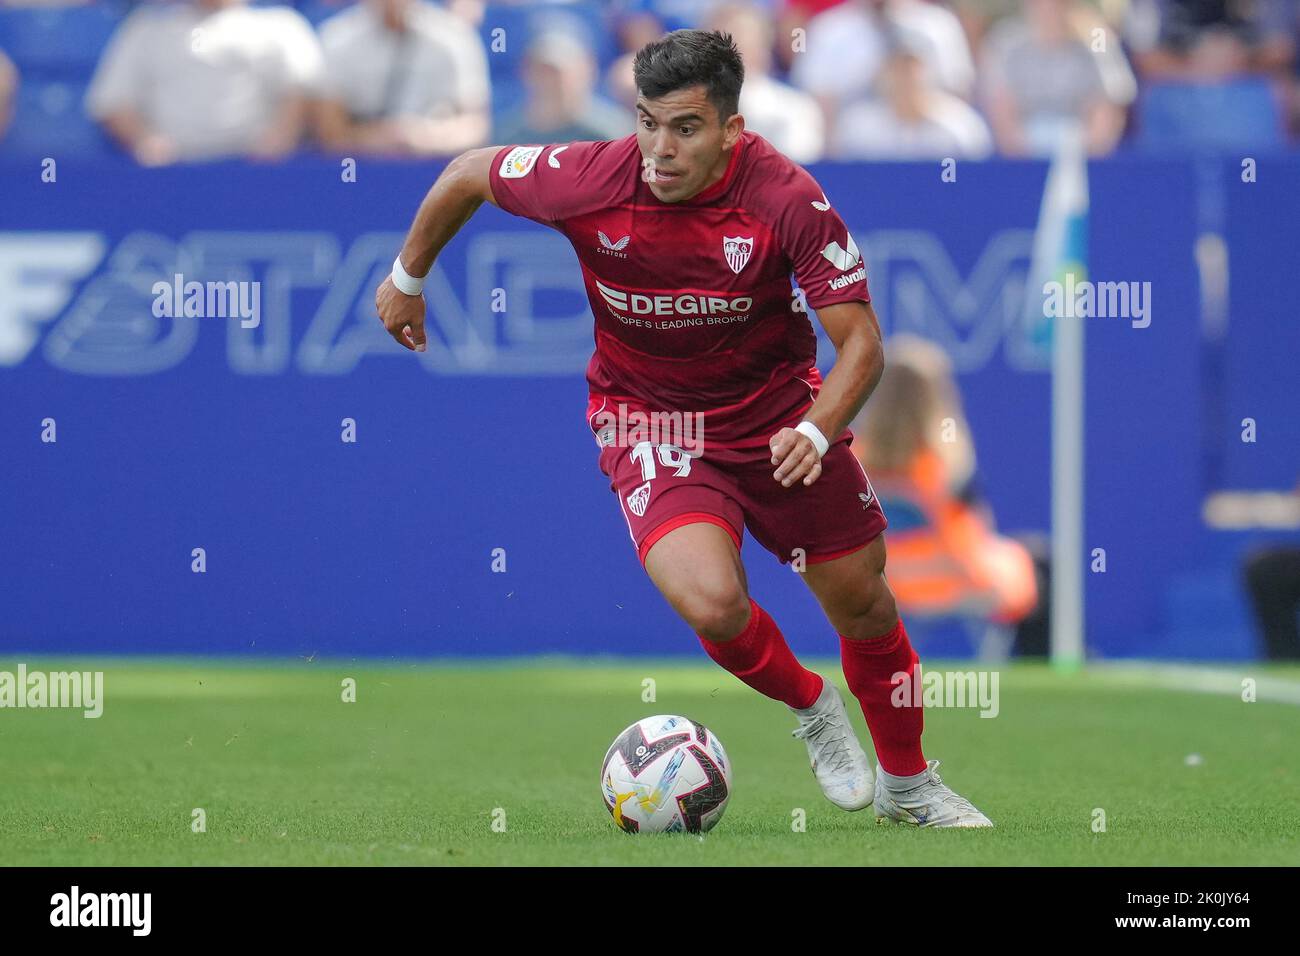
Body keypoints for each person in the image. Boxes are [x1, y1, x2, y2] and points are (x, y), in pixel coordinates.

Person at [375, 29, 992, 827]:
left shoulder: (786, 200)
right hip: (648, 423)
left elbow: (863, 345)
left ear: (733, 130)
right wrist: (406, 277)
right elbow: (465, 173)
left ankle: (909, 787)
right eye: (647, 122)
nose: (659, 149)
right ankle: (811, 705)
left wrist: (816, 428)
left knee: (864, 604)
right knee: (712, 602)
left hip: (778, 423)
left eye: (686, 128)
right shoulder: (591, 176)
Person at [849, 335, 1045, 655]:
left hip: (884, 585)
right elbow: (975, 532)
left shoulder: (852, 460)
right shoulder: (944, 467)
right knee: (1040, 561)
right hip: (958, 579)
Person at [85, 0, 324, 165]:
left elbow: (305, 88)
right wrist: (146, 142)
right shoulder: (146, 28)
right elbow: (112, 102)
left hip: (259, 172)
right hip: (172, 174)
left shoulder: (282, 25)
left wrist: (280, 139)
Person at [315, 0, 490, 157]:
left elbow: (476, 126)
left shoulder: (455, 36)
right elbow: (331, 133)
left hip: (435, 169)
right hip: (363, 171)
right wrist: (379, 139)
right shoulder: (336, 38)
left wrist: (424, 137)